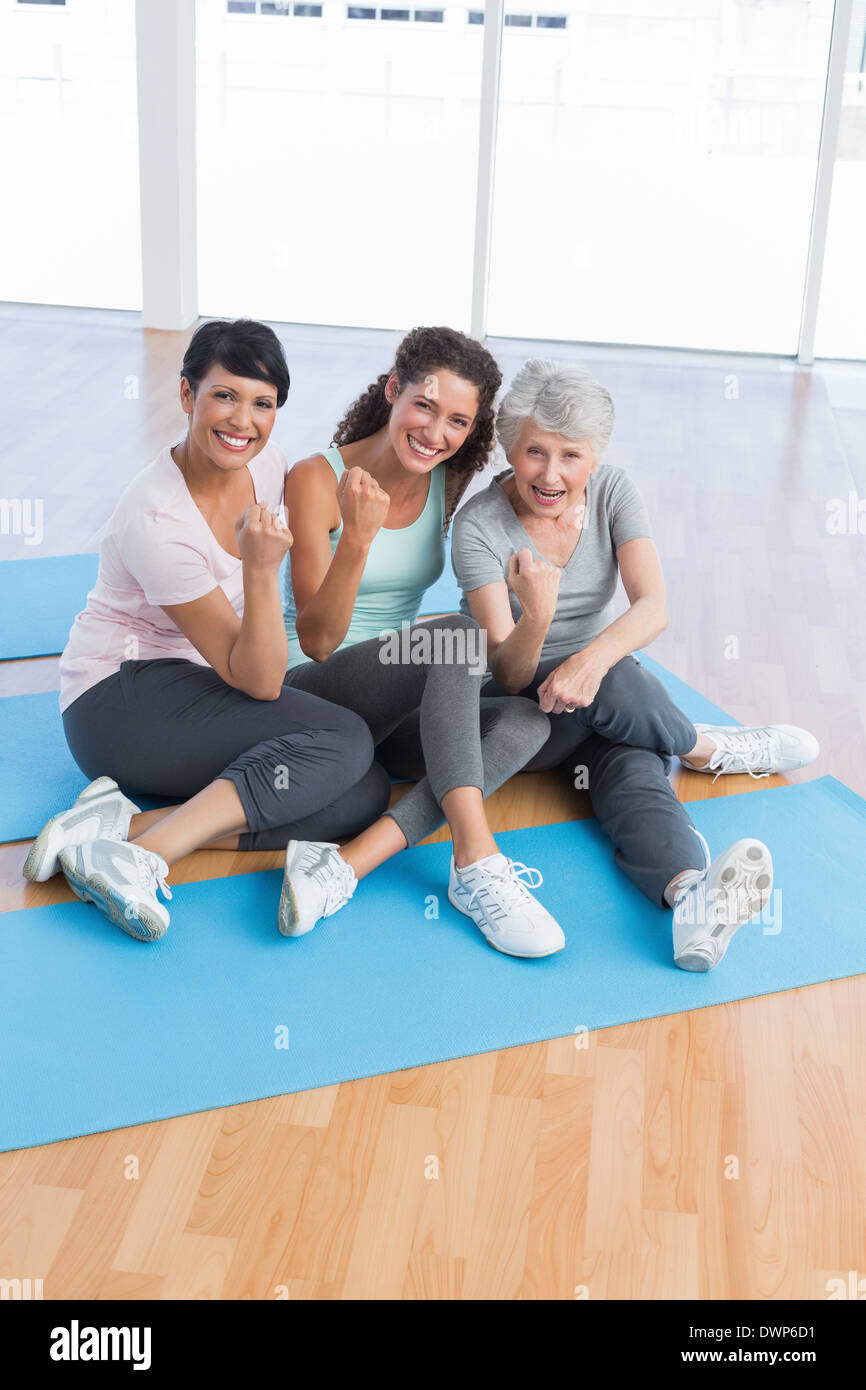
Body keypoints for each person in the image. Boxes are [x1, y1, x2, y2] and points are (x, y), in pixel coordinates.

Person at [438, 358, 819, 971]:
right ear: (511, 447)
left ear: (596, 455)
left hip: (602, 700)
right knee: (624, 687)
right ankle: (703, 749)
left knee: (633, 771)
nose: (552, 474)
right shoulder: (479, 526)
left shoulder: (613, 490)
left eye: (571, 456)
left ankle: (689, 897)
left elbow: (653, 606)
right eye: (535, 452)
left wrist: (589, 662)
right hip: (519, 716)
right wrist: (539, 617)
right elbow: (506, 671)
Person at [24, 319, 392, 942]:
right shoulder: (156, 517)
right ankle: (146, 855)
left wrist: (358, 529)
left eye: (262, 403)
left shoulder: (267, 465)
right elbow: (261, 681)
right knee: (343, 740)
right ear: (188, 395)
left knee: (362, 793)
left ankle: (115, 831)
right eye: (224, 395)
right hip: (119, 702)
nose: (242, 421)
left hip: (196, 683)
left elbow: (295, 641)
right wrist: (258, 567)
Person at [277, 325, 564, 959]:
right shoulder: (315, 479)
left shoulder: (444, 478)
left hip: (390, 702)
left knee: (525, 719)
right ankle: (476, 861)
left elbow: (545, 474)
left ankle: (348, 865)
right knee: (457, 638)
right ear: (392, 391)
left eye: (458, 421)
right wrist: (356, 537)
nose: (436, 433)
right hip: (311, 690)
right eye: (425, 407)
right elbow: (319, 640)